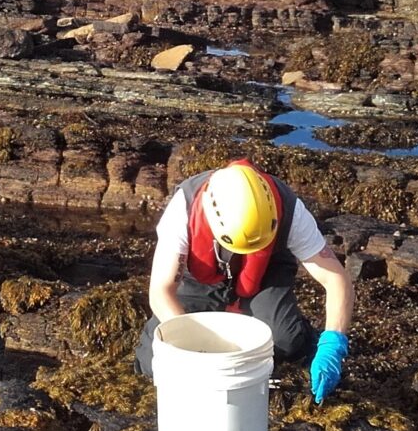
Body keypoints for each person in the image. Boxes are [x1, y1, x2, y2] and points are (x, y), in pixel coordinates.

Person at [134, 159, 355, 403]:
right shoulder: (184, 208)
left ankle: (298, 329)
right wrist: (195, 341)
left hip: (266, 271)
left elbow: (335, 278)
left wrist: (333, 343)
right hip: (201, 276)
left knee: (286, 342)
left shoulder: (290, 209)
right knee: (152, 363)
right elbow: (161, 291)